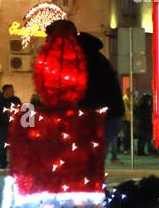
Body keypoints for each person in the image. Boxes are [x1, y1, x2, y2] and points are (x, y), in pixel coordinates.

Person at [45, 20, 126, 162]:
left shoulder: (80, 56)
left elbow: (79, 92)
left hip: (100, 117)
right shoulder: (82, 52)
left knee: (85, 163)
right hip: (103, 116)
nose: (47, 43)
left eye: (51, 39)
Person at [0, 84, 21, 168]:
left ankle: (16, 163)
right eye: (11, 90)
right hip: (2, 127)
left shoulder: (16, 100)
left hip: (14, 127)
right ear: (5, 91)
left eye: (13, 90)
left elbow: (21, 111)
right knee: (2, 145)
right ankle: (3, 163)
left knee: (16, 146)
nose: (13, 91)